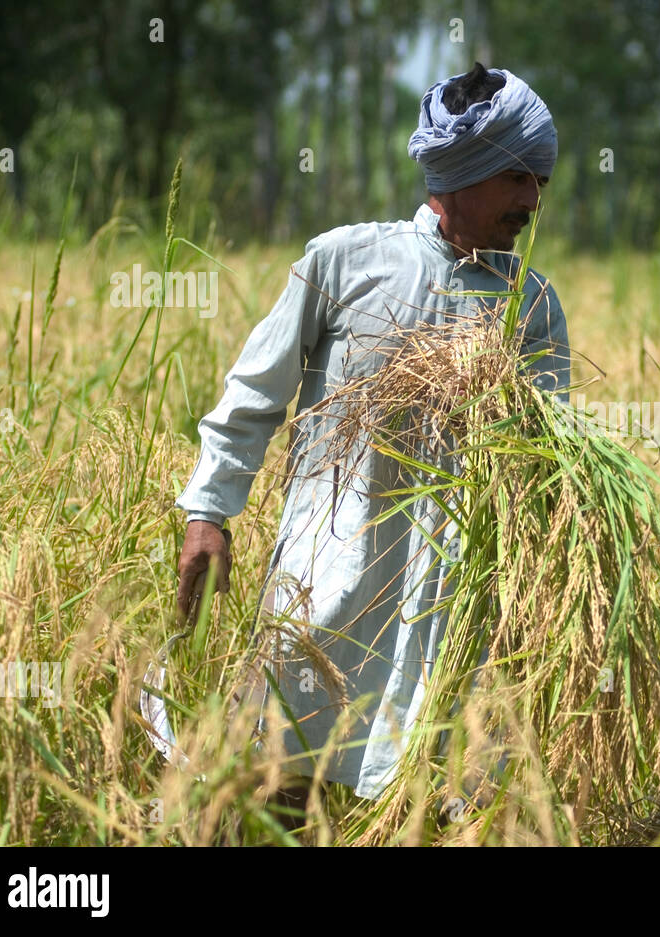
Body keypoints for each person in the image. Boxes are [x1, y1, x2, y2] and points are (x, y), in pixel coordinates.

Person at [173, 63, 569, 812]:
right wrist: (208, 510)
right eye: (516, 176)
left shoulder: (533, 307)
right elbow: (254, 395)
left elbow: (548, 466)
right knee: (282, 781)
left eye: (539, 180)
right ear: (461, 170)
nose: (531, 199)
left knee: (442, 795)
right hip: (328, 583)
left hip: (453, 603)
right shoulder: (346, 261)